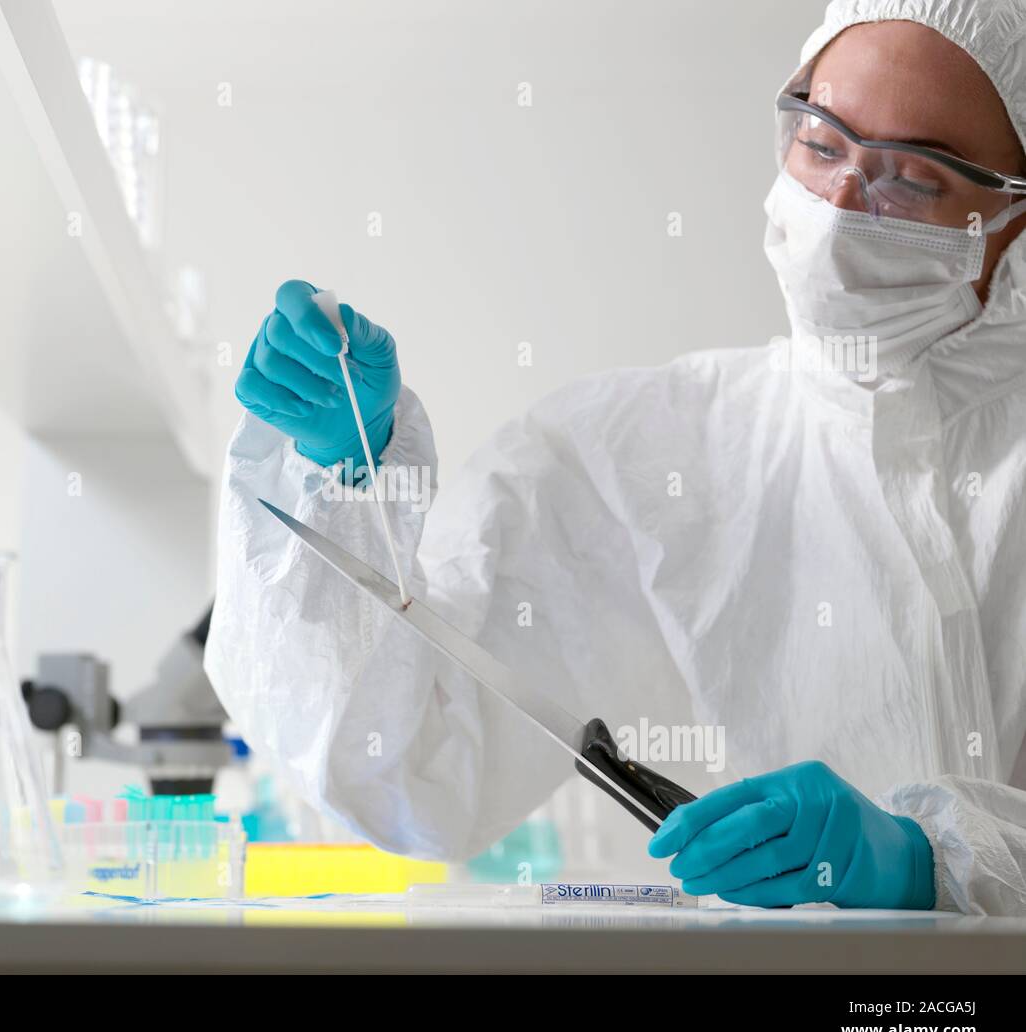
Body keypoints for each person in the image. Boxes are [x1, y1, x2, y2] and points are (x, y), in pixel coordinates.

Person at [206, 0, 1026, 913]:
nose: (836, 208)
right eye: (821, 143)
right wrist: (346, 478)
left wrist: (940, 863)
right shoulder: (644, 456)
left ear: (1013, 219)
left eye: (908, 179)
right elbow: (409, 776)